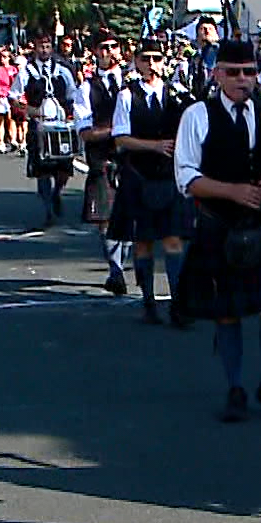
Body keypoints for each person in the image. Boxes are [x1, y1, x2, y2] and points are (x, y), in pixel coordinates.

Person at [174, 38, 261, 421]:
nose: (242, 80)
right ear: (217, 75)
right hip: (221, 223)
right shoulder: (197, 115)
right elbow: (186, 176)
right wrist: (231, 190)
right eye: (233, 72)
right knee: (227, 313)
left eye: (249, 72)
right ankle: (235, 387)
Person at [110, 39, 191, 326]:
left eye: (157, 58)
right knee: (143, 242)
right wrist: (154, 146)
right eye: (146, 58)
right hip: (139, 175)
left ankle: (178, 305)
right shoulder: (126, 96)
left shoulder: (178, 94)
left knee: (173, 241)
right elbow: (121, 138)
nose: (151, 64)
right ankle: (148, 303)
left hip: (169, 176)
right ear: (136, 61)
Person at [74, 31, 132, 295]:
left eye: (114, 46)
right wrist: (117, 129)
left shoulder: (134, 83)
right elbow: (85, 132)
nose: (110, 51)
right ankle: (116, 269)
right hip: (104, 159)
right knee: (106, 220)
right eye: (104, 47)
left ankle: (122, 265)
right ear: (95, 52)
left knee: (131, 218)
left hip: (134, 160)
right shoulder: (87, 88)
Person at [25, 61, 77, 227]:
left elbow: (72, 94)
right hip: (39, 126)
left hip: (60, 126)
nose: (44, 49)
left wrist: (71, 114)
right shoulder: (27, 71)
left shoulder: (62, 71)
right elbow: (14, 96)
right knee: (42, 171)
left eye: (47, 46)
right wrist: (29, 110)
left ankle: (57, 192)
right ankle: (48, 210)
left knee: (64, 171)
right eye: (41, 45)